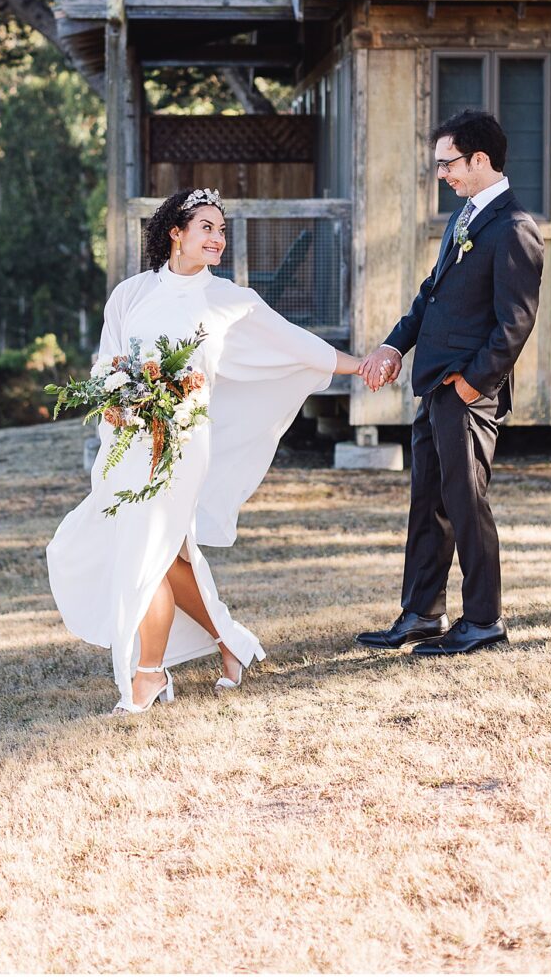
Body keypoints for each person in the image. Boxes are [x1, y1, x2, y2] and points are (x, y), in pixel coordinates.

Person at [47, 189, 367, 713]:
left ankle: (150, 675)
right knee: (167, 554)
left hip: (181, 443)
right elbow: (107, 364)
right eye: (208, 228)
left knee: (146, 550)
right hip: (128, 441)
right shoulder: (128, 295)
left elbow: (294, 344)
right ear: (176, 231)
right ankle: (230, 643)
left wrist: (362, 365)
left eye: (222, 231)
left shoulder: (230, 300)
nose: (218, 239)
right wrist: (116, 402)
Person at [356, 109, 543, 657]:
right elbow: (429, 296)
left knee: (466, 504)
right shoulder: (463, 219)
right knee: (428, 504)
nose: (442, 173)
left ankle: (484, 620)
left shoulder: (514, 228)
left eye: (448, 163)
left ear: (479, 159)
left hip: (466, 394)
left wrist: (470, 386)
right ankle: (421, 613)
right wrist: (394, 346)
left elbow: (516, 322)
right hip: (434, 386)